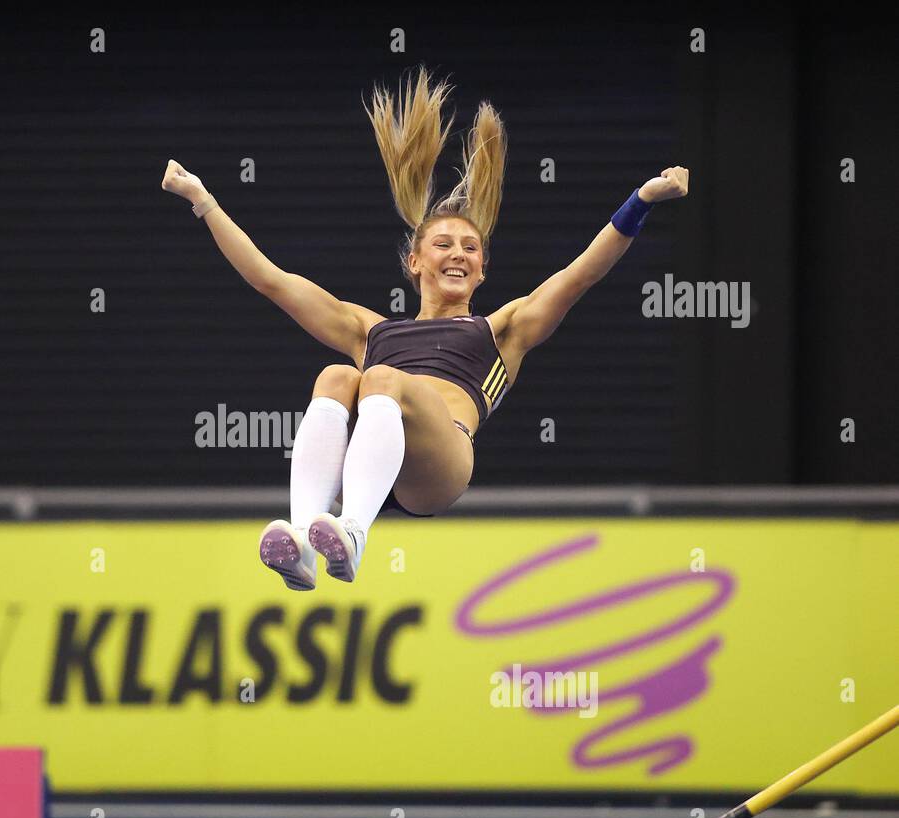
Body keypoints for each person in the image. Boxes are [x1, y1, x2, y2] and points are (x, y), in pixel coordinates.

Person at [161, 65, 688, 590]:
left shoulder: (502, 329)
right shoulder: (369, 331)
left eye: (470, 248)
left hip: (440, 463)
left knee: (384, 379)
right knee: (337, 377)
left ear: (482, 270)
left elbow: (577, 277)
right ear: (414, 262)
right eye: (443, 244)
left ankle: (354, 535)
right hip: (370, 461)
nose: (458, 253)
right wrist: (203, 201)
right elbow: (272, 281)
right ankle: (300, 540)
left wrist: (641, 201)